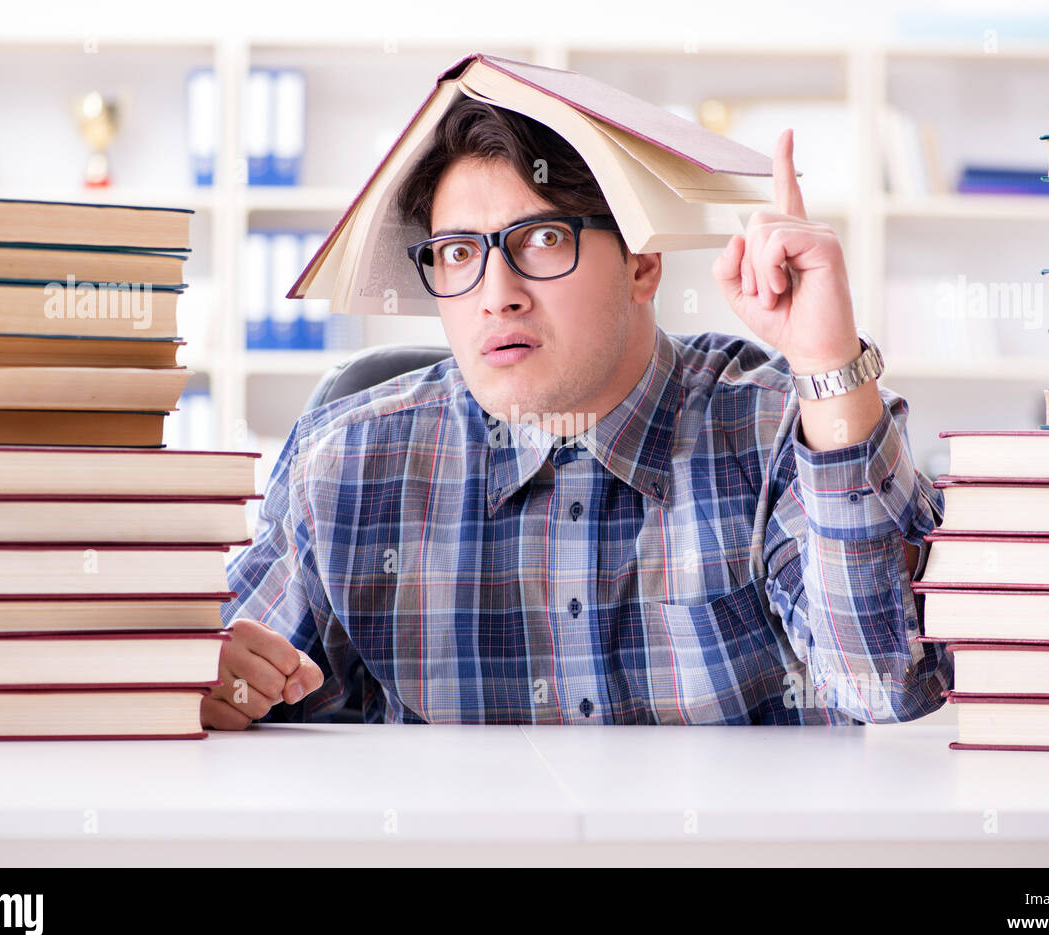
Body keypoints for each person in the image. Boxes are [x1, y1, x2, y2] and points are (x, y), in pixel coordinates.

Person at [203, 97, 952, 729]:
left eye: (543, 238)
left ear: (642, 263)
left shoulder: (773, 429)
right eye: (460, 253)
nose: (497, 293)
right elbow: (232, 684)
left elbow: (884, 680)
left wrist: (826, 364)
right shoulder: (346, 465)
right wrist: (207, 681)